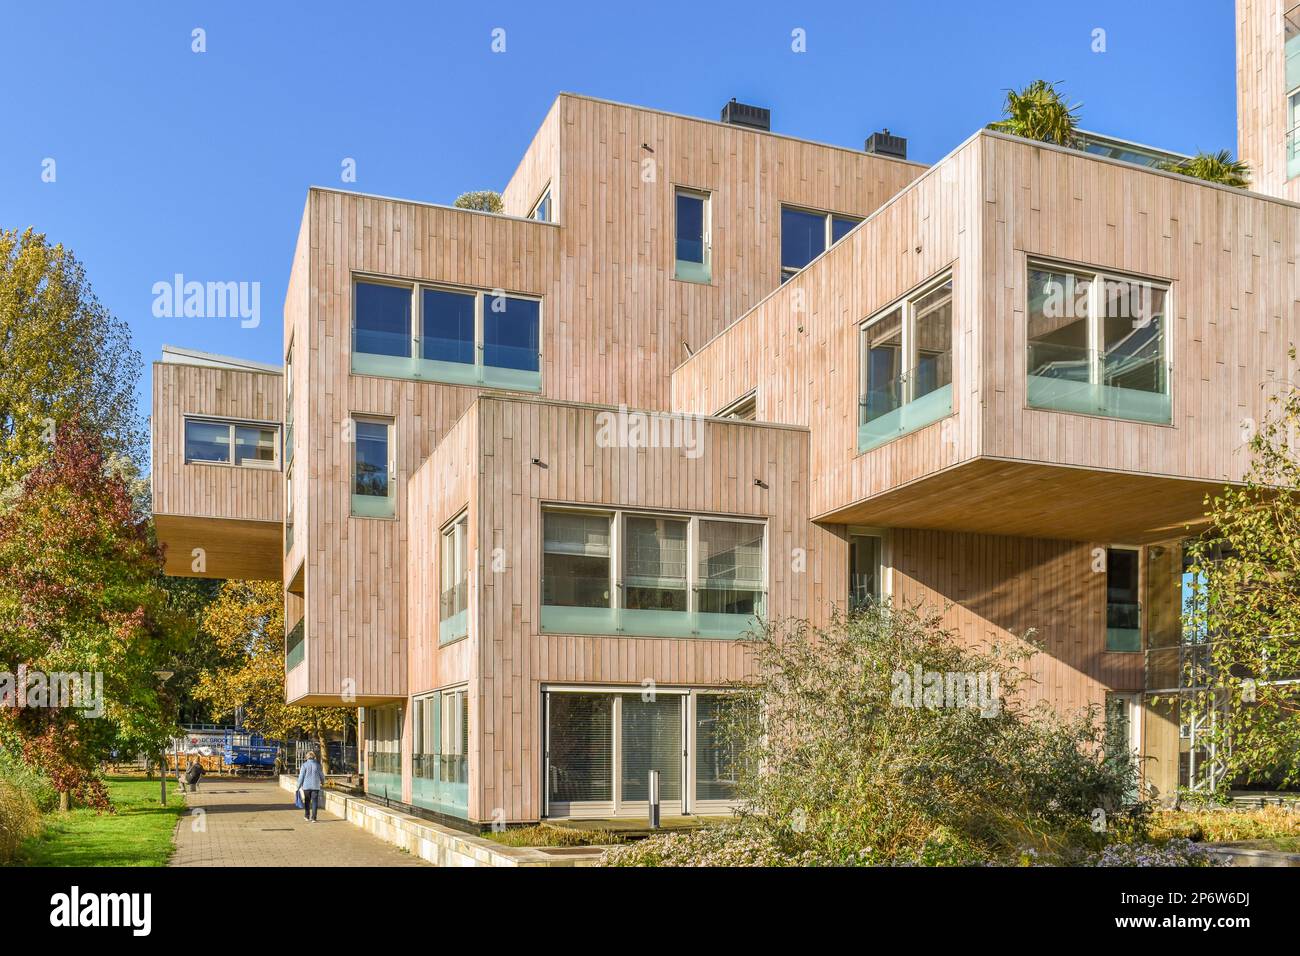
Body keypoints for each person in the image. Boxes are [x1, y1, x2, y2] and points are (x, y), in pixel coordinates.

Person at [296, 751, 324, 823]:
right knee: (314, 802)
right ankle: (314, 818)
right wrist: (323, 782)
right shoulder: (318, 765)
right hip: (315, 786)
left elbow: (301, 776)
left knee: (307, 801)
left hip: (306, 786)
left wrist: (298, 786)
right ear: (314, 757)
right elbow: (321, 775)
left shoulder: (304, 765)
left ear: (307, 757)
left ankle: (307, 816)